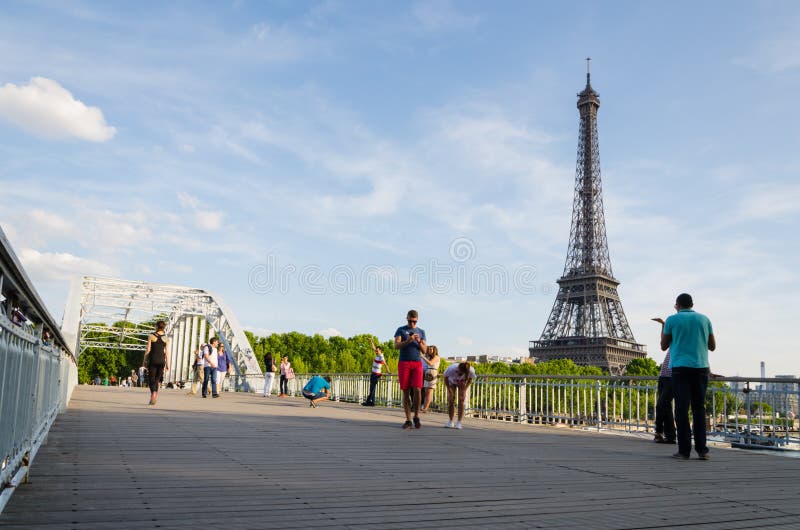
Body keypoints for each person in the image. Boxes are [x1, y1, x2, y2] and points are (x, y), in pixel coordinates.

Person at [661, 293, 716, 460]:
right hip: (701, 368)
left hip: (680, 369)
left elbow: (663, 346)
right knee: (699, 409)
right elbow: (712, 346)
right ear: (692, 304)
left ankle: (684, 450)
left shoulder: (672, 319)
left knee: (681, 409)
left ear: (677, 305)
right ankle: (702, 450)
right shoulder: (705, 319)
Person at [394, 309, 427, 429]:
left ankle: (416, 416)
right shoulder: (401, 330)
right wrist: (408, 340)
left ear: (417, 320)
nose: (412, 323)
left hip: (417, 363)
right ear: (407, 319)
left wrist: (419, 341)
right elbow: (396, 346)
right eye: (410, 321)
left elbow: (425, 350)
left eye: (415, 321)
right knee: (406, 391)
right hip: (404, 363)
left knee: (417, 389)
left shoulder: (421, 332)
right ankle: (408, 419)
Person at [651, 318, 676, 444]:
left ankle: (659, 432)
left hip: (672, 376)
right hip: (664, 375)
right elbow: (663, 343)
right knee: (665, 407)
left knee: (661, 405)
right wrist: (663, 326)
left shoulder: (682, 340)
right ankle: (669, 436)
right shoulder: (674, 339)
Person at [142, 320, 170, 406]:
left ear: (157, 326)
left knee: (151, 379)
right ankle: (154, 396)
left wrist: (144, 360)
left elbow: (148, 349)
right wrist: (167, 364)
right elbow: (167, 352)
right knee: (157, 380)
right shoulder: (166, 338)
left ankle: (153, 393)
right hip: (161, 361)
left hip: (153, 359)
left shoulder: (151, 336)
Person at [443, 361, 476, 429]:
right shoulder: (451, 368)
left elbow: (470, 380)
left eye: (460, 373)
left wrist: (464, 390)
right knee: (451, 400)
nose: (458, 373)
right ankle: (450, 421)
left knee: (461, 400)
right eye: (458, 371)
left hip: (462, 383)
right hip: (451, 382)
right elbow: (445, 378)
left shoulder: (471, 371)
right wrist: (449, 390)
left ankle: (459, 422)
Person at [362, 339, 390, 406]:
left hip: (377, 375)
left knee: (372, 388)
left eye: (377, 351)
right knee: (372, 388)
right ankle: (372, 402)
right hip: (373, 373)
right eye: (376, 351)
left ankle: (368, 402)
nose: (376, 352)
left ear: (380, 350)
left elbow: (385, 364)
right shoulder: (377, 354)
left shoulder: (381, 357)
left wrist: (388, 372)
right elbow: (373, 347)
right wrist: (371, 341)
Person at [420, 345, 441, 413]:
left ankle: (425, 408)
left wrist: (423, 357)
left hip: (432, 372)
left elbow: (431, 363)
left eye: (431, 349)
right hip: (428, 372)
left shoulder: (436, 357)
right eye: (429, 349)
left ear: (434, 350)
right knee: (426, 391)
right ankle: (424, 407)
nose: (429, 351)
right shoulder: (429, 357)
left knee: (429, 392)